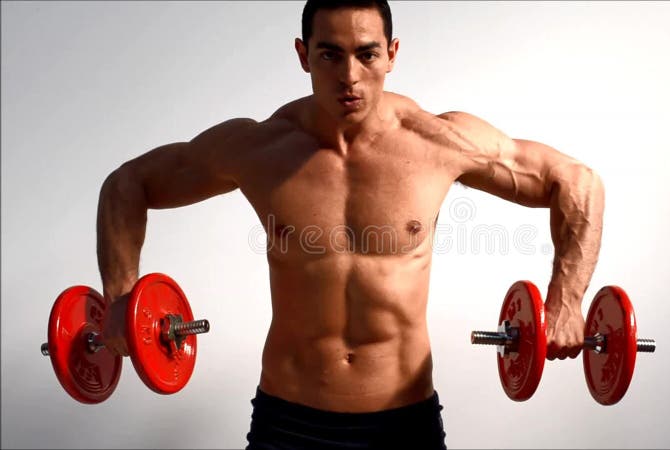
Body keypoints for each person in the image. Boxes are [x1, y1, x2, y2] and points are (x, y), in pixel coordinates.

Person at [96, 0, 605, 448]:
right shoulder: (257, 149)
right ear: (302, 55)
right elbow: (126, 185)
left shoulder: (439, 141)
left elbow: (576, 182)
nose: (350, 76)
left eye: (366, 53)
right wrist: (120, 301)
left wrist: (566, 301)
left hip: (404, 424)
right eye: (330, 55)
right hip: (287, 424)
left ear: (392, 53)